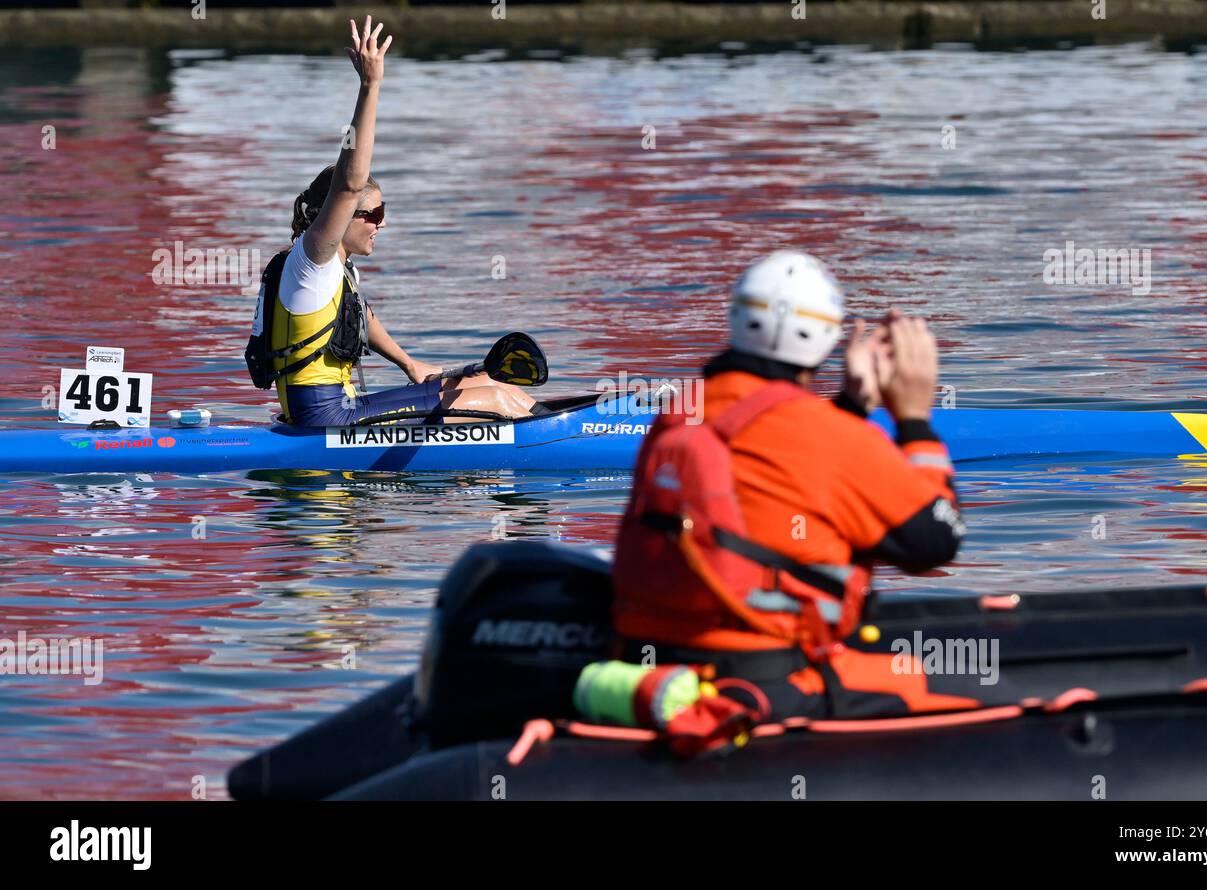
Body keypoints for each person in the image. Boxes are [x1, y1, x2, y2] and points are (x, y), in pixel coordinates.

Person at [609, 250, 972, 723]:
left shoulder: (679, 413)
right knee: (977, 686)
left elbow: (779, 475)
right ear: (826, 337)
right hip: (769, 679)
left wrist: (850, 406)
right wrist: (914, 419)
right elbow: (935, 541)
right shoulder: (834, 438)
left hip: (659, 664)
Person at [247, 17, 536, 426]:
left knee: (487, 386)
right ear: (342, 215)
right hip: (326, 417)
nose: (381, 225)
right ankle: (578, 440)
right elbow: (349, 185)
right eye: (374, 214)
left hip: (335, 409)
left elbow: (360, 315)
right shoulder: (313, 259)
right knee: (496, 401)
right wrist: (370, 86)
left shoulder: (334, 270)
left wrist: (409, 363)